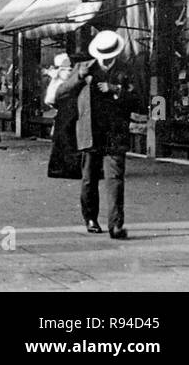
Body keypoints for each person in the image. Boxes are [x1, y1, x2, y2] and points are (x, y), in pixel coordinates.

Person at [56, 30, 143, 238]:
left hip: (115, 133)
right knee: (89, 179)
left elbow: (140, 101)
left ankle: (116, 225)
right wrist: (78, 78)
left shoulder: (126, 70)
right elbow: (60, 93)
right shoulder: (83, 68)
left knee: (115, 180)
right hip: (90, 133)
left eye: (109, 57)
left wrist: (115, 89)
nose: (105, 60)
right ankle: (91, 218)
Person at [45, 54, 82, 180]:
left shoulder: (57, 76)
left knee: (62, 141)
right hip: (70, 110)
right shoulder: (70, 77)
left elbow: (51, 99)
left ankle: (57, 169)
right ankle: (71, 169)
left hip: (61, 110)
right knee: (70, 140)